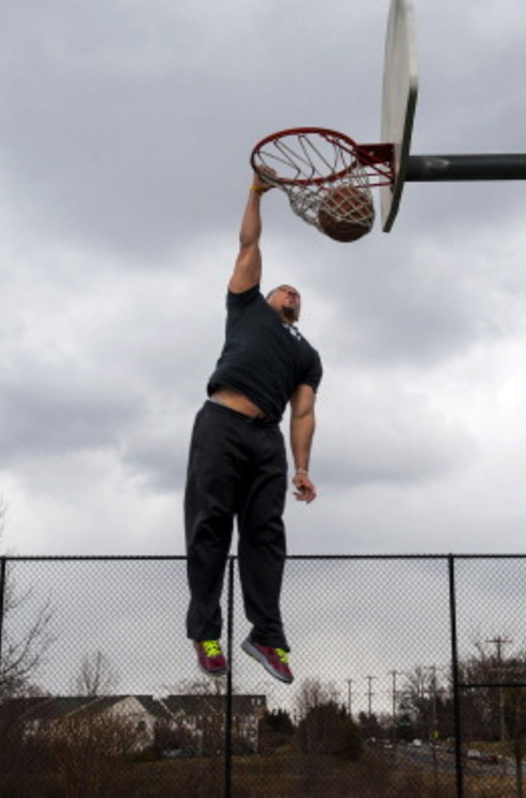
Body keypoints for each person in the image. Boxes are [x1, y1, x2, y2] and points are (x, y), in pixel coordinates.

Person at [184, 170, 322, 685]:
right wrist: (255, 193)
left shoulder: (307, 355)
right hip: (221, 424)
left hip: (267, 441)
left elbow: (303, 412)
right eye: (283, 287)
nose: (291, 291)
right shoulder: (246, 309)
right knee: (210, 527)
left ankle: (266, 635)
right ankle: (206, 632)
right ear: (264, 297)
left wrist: (303, 467)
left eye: (298, 293)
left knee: (266, 536)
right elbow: (249, 241)